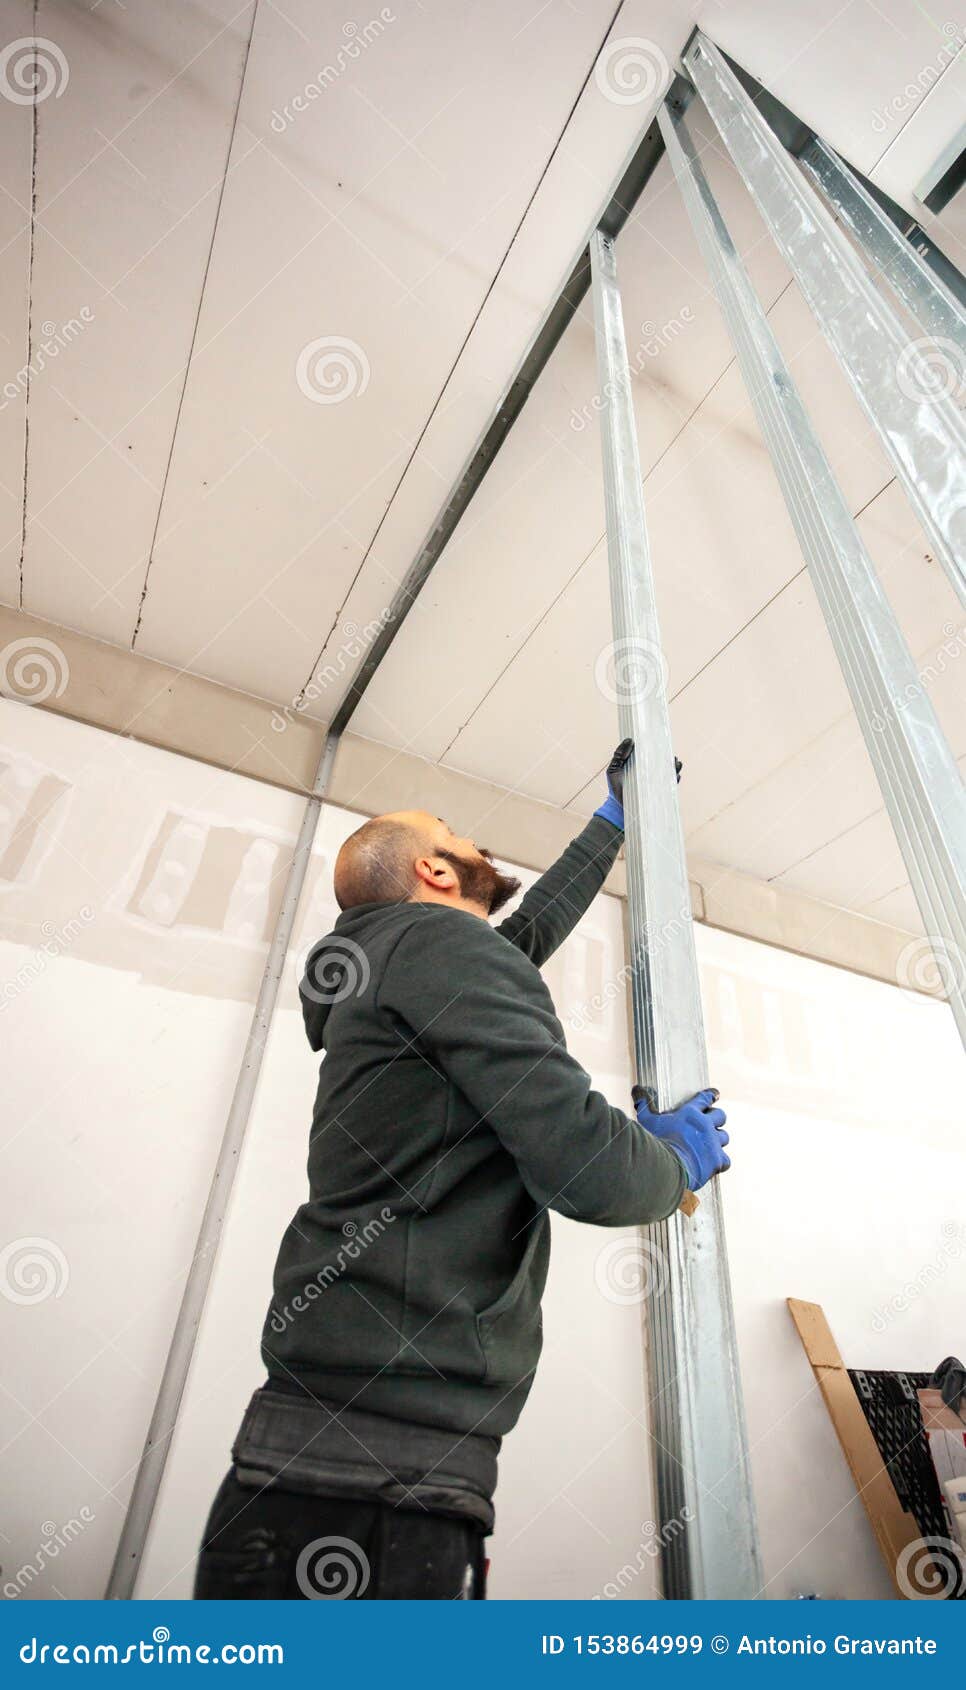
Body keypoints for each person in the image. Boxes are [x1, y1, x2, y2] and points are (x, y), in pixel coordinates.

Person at [194, 740, 729, 1599]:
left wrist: (610, 828)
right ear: (435, 872)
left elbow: (519, 943)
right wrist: (674, 1164)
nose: (475, 841)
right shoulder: (438, 951)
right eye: (454, 832)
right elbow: (590, 1170)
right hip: (383, 1492)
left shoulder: (382, 968)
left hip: (305, 1473)